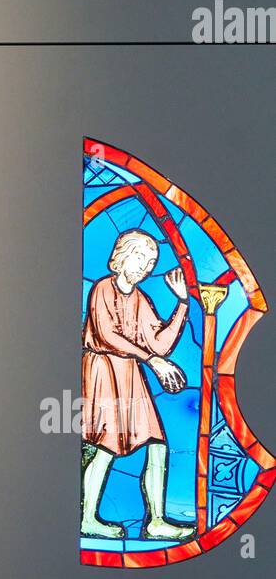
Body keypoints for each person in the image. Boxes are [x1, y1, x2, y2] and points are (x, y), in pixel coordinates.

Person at [81, 228, 196, 541]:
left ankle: (156, 520)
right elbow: (107, 335)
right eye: (141, 257)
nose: (147, 266)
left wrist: (183, 303)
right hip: (104, 371)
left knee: (156, 443)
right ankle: (88, 517)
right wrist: (153, 362)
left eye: (152, 261)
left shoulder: (141, 299)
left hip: (131, 375)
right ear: (121, 256)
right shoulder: (102, 289)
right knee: (104, 446)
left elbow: (159, 344)